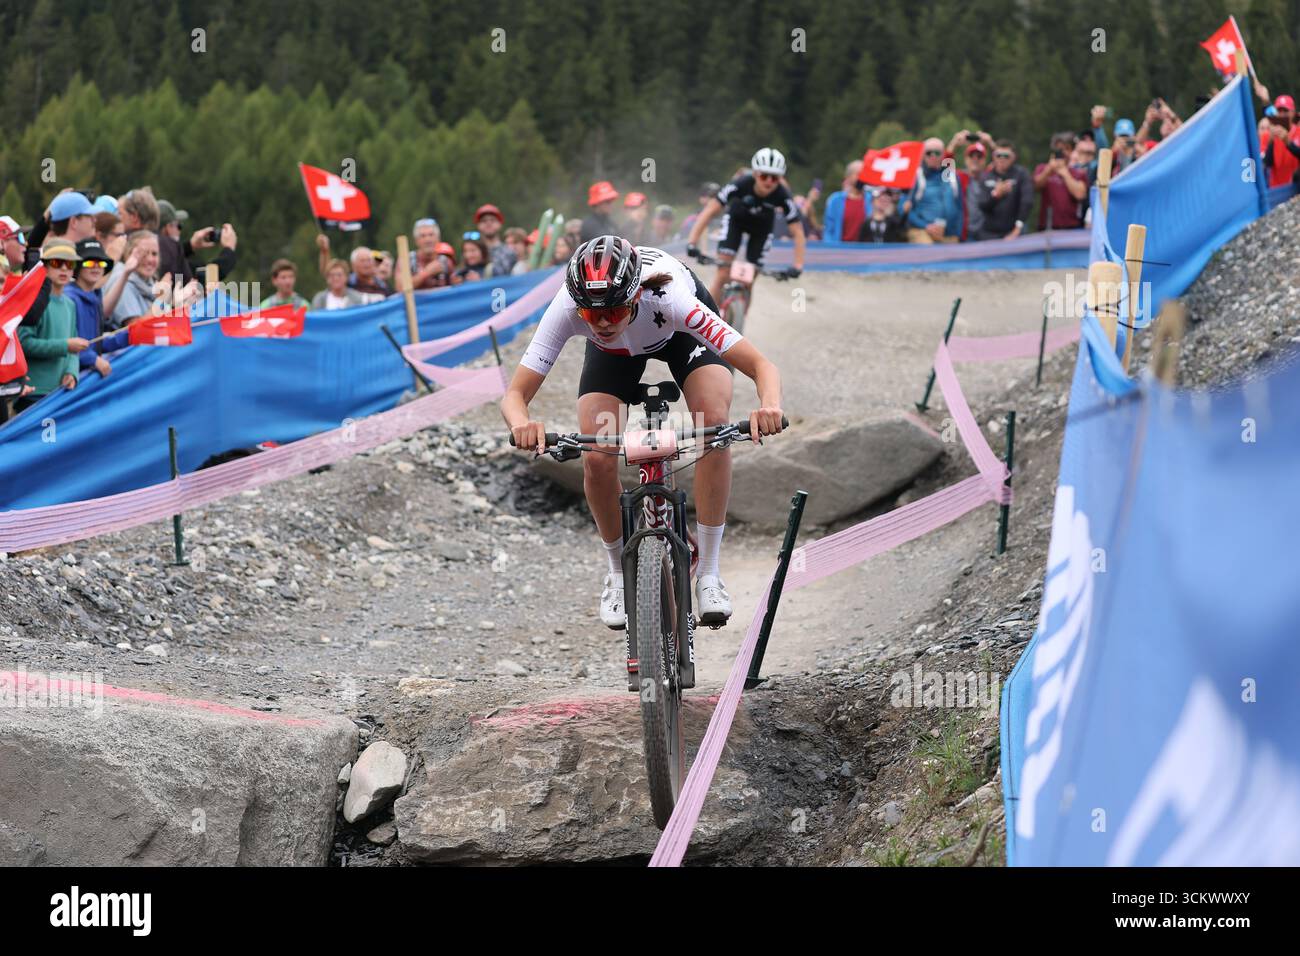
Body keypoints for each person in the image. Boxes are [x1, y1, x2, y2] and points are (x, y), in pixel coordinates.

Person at [501, 235, 786, 630]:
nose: (602, 324)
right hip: (614, 358)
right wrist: (522, 425)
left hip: (679, 336)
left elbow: (761, 366)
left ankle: (710, 573)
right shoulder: (570, 302)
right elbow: (515, 395)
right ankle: (618, 574)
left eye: (614, 312)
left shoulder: (671, 299)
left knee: (714, 425)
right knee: (597, 456)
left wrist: (769, 406)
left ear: (634, 296)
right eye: (590, 315)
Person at [686, 147, 805, 306]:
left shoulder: (783, 195)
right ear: (755, 174)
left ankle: (739, 323)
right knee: (723, 273)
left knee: (749, 281)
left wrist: (798, 265)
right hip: (736, 221)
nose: (769, 181)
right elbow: (709, 212)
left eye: (774, 178)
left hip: (761, 230)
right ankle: (709, 318)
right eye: (764, 176)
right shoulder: (740, 184)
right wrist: (692, 242)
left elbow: (797, 231)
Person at [14, 238, 89, 413]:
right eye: (57, 262)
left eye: (69, 264)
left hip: (60, 392)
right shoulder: (33, 302)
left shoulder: (70, 304)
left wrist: (72, 372)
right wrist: (65, 346)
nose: (64, 268)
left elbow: (73, 349)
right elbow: (24, 344)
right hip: (33, 392)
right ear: (44, 266)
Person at [66, 238, 132, 379]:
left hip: (85, 374)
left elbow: (96, 343)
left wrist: (131, 335)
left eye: (101, 262)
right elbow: (67, 343)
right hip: (68, 378)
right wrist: (93, 359)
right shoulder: (69, 298)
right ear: (77, 266)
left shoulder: (95, 296)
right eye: (89, 262)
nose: (96, 267)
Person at [904, 138, 962, 243]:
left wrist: (957, 233)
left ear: (943, 155)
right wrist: (925, 226)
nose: (933, 156)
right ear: (923, 155)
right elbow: (905, 209)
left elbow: (959, 206)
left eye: (937, 153)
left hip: (948, 232)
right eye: (929, 153)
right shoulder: (915, 176)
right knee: (927, 250)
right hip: (922, 230)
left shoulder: (951, 176)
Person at [974, 140, 1033, 240]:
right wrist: (996, 195)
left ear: (1014, 157)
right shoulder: (986, 176)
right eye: (998, 155)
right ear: (993, 156)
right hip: (989, 234)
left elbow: (1027, 202)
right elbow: (982, 205)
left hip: (1014, 233)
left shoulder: (1021, 174)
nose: (1002, 158)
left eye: (1006, 156)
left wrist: (1017, 229)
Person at [102, 230, 164, 326]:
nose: (150, 259)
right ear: (129, 254)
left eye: (154, 254)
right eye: (144, 254)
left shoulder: (149, 283)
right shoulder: (123, 284)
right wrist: (162, 300)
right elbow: (136, 329)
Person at [1034, 135, 1090, 230]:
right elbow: (1035, 186)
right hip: (1047, 228)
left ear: (1071, 151)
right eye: (1059, 149)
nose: (1063, 152)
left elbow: (1080, 195)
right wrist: (1049, 170)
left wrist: (1065, 173)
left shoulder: (1078, 173)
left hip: (1071, 228)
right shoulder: (1042, 168)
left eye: (1066, 149)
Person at [409, 218, 453, 289]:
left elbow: (454, 288)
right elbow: (401, 288)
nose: (428, 240)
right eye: (423, 236)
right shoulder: (408, 260)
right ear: (416, 241)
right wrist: (426, 272)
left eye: (431, 235)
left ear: (438, 238)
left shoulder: (445, 261)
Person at [474, 204, 517, 275]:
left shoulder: (510, 252)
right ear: (478, 225)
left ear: (500, 224)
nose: (488, 223)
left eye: (492, 220)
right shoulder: (472, 253)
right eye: (484, 221)